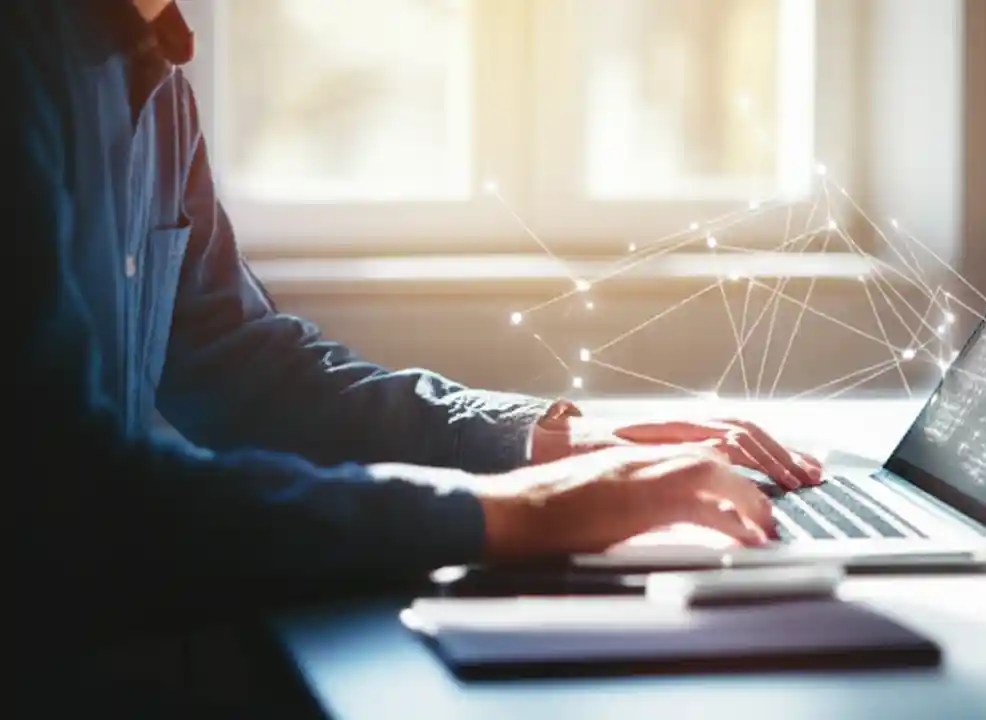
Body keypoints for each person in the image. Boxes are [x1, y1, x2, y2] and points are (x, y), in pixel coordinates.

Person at [7, 0, 822, 639]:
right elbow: (76, 496)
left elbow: (234, 359)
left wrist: (542, 441)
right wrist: (521, 512)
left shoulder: (153, 74)